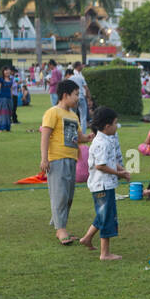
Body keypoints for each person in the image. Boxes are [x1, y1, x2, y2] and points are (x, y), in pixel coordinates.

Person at [79, 107, 127, 260]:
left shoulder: (106, 140)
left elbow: (110, 161)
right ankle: (105, 253)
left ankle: (87, 238)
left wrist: (122, 170)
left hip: (107, 185)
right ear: (107, 127)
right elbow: (101, 165)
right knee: (107, 217)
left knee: (104, 213)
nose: (116, 127)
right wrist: (119, 173)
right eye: (115, 124)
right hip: (102, 186)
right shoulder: (102, 143)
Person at [40, 80, 82, 245]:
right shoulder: (53, 112)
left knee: (69, 196)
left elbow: (78, 137)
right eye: (76, 94)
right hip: (57, 159)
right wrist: (44, 158)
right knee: (60, 195)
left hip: (71, 159)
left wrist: (90, 137)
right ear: (66, 95)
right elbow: (45, 136)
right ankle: (60, 229)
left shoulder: (73, 115)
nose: (78, 98)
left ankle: (60, 224)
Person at [0, 66, 15, 131]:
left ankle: (7, 128)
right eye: (5, 70)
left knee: (9, 113)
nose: (7, 71)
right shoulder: (0, 79)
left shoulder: (11, 80)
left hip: (9, 99)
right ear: (3, 72)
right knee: (2, 113)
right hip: (2, 98)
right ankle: (1, 128)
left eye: (8, 70)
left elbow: (11, 90)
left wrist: (12, 99)